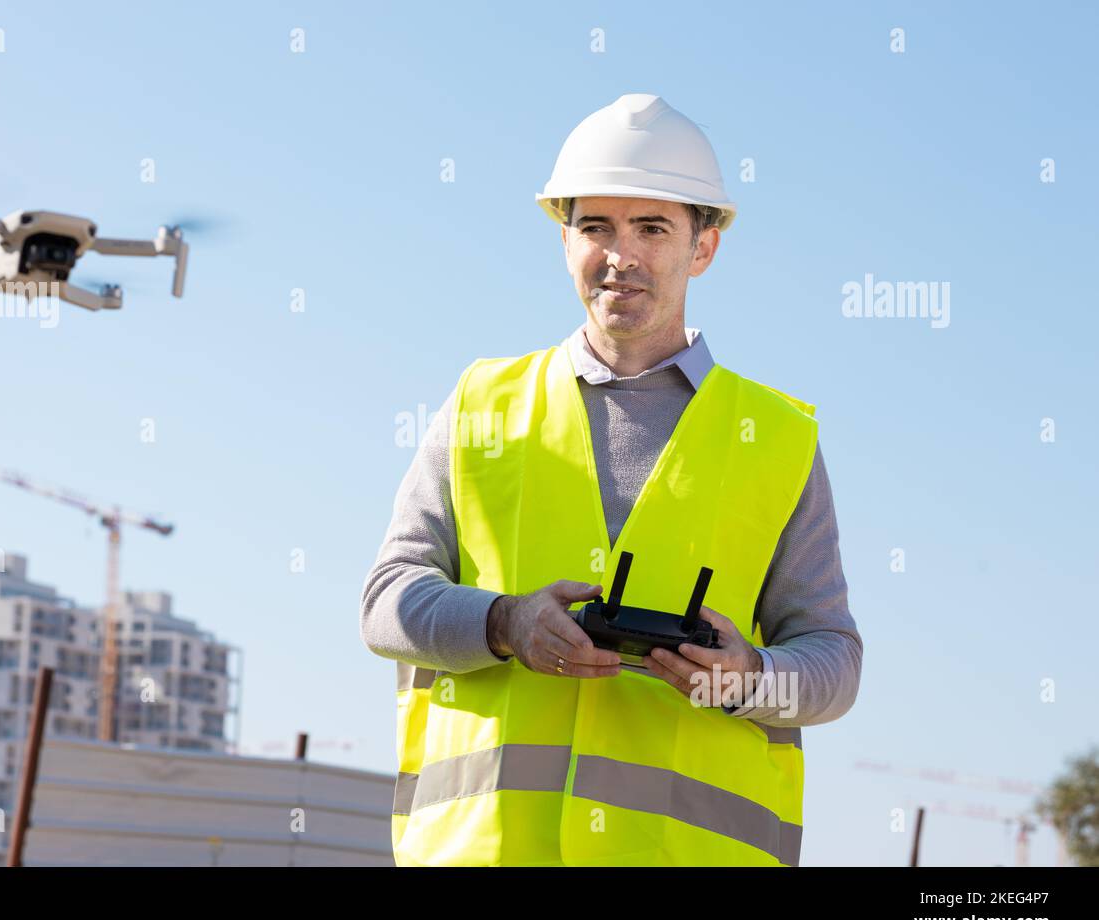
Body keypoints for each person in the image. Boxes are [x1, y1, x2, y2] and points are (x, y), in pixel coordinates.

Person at [360, 94, 862, 866]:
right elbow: (386, 603)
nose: (619, 255)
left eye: (652, 228)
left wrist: (748, 677)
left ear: (704, 247)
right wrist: (504, 624)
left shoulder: (780, 440)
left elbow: (833, 664)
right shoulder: (482, 403)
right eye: (595, 226)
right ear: (565, 241)